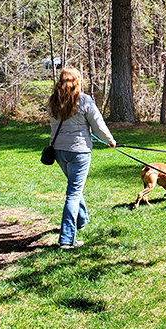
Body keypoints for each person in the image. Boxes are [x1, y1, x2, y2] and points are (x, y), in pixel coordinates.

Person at [47, 67, 116, 249]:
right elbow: (98, 125)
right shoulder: (84, 100)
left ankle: (82, 220)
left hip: (59, 150)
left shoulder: (52, 101)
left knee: (75, 187)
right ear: (77, 81)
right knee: (73, 192)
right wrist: (110, 140)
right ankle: (67, 240)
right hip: (79, 152)